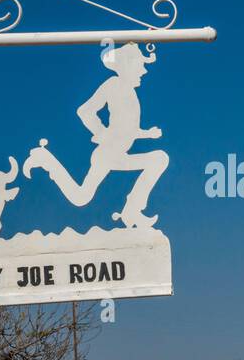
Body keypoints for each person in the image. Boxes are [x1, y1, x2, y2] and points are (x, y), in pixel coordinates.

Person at [23, 42, 168, 228]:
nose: (143, 71)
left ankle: (132, 210)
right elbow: (85, 111)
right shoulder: (113, 85)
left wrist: (146, 134)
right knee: (81, 197)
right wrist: (101, 132)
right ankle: (45, 159)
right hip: (107, 154)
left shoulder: (130, 93)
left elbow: (125, 129)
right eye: (140, 66)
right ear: (127, 66)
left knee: (158, 159)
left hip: (118, 154)